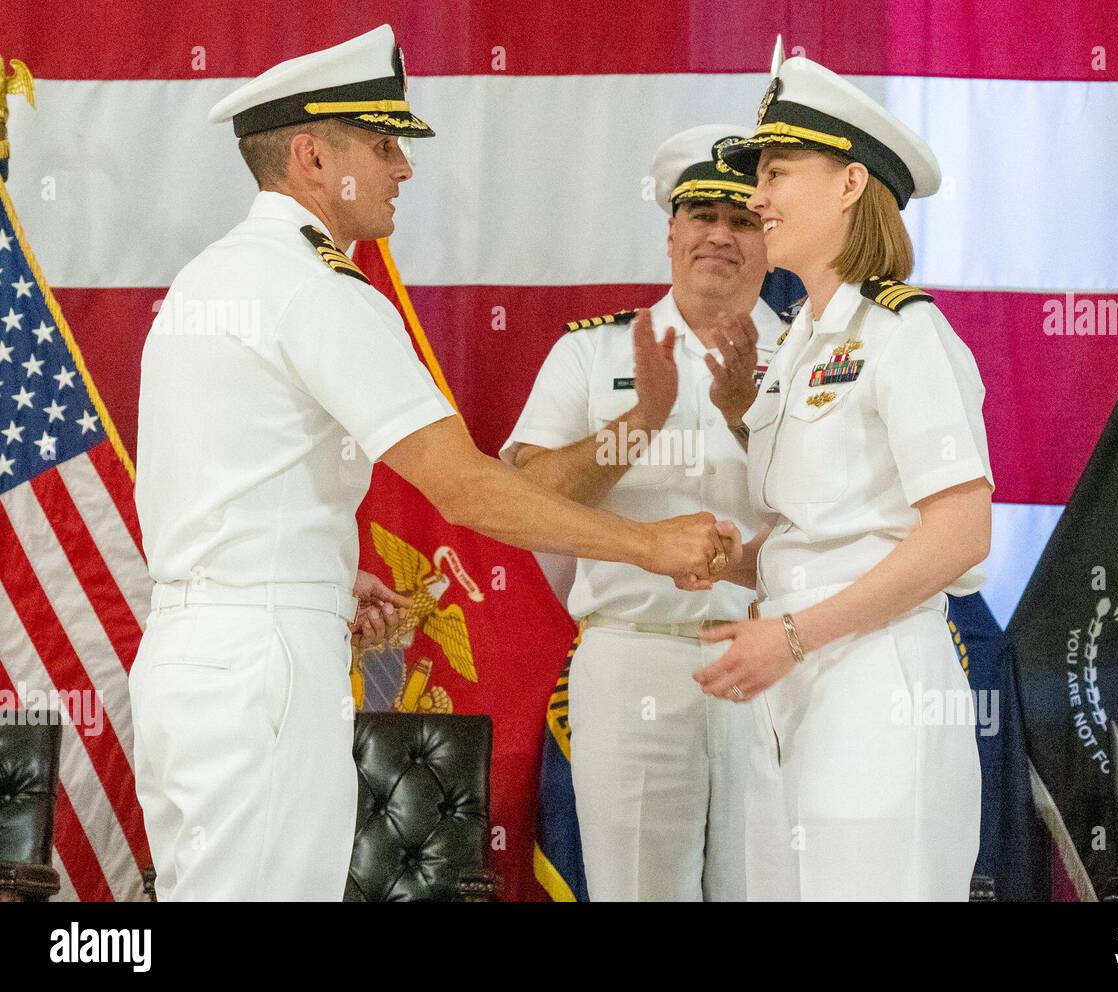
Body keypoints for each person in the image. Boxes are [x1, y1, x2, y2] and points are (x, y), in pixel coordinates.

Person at [130, 25, 736, 902]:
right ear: (309, 157)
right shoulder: (317, 288)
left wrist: (327, 582)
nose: (402, 168)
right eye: (381, 145)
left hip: (190, 655)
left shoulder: (204, 279)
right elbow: (464, 486)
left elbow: (222, 485)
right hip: (264, 665)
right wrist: (651, 547)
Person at [697, 54, 995, 901]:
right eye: (758, 173)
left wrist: (792, 636)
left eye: (778, 170)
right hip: (792, 677)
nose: (757, 196)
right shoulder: (800, 341)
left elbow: (960, 534)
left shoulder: (907, 333)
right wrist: (740, 563)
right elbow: (830, 529)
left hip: (872, 684)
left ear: (851, 183)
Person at [499, 125, 787, 900]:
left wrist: (742, 414)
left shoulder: (810, 355)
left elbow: (835, 510)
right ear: (670, 232)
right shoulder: (592, 353)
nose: (720, 235)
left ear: (771, 238)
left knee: (771, 888)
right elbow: (529, 501)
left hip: (775, 657)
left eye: (743, 219)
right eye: (702, 214)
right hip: (633, 655)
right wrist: (642, 420)